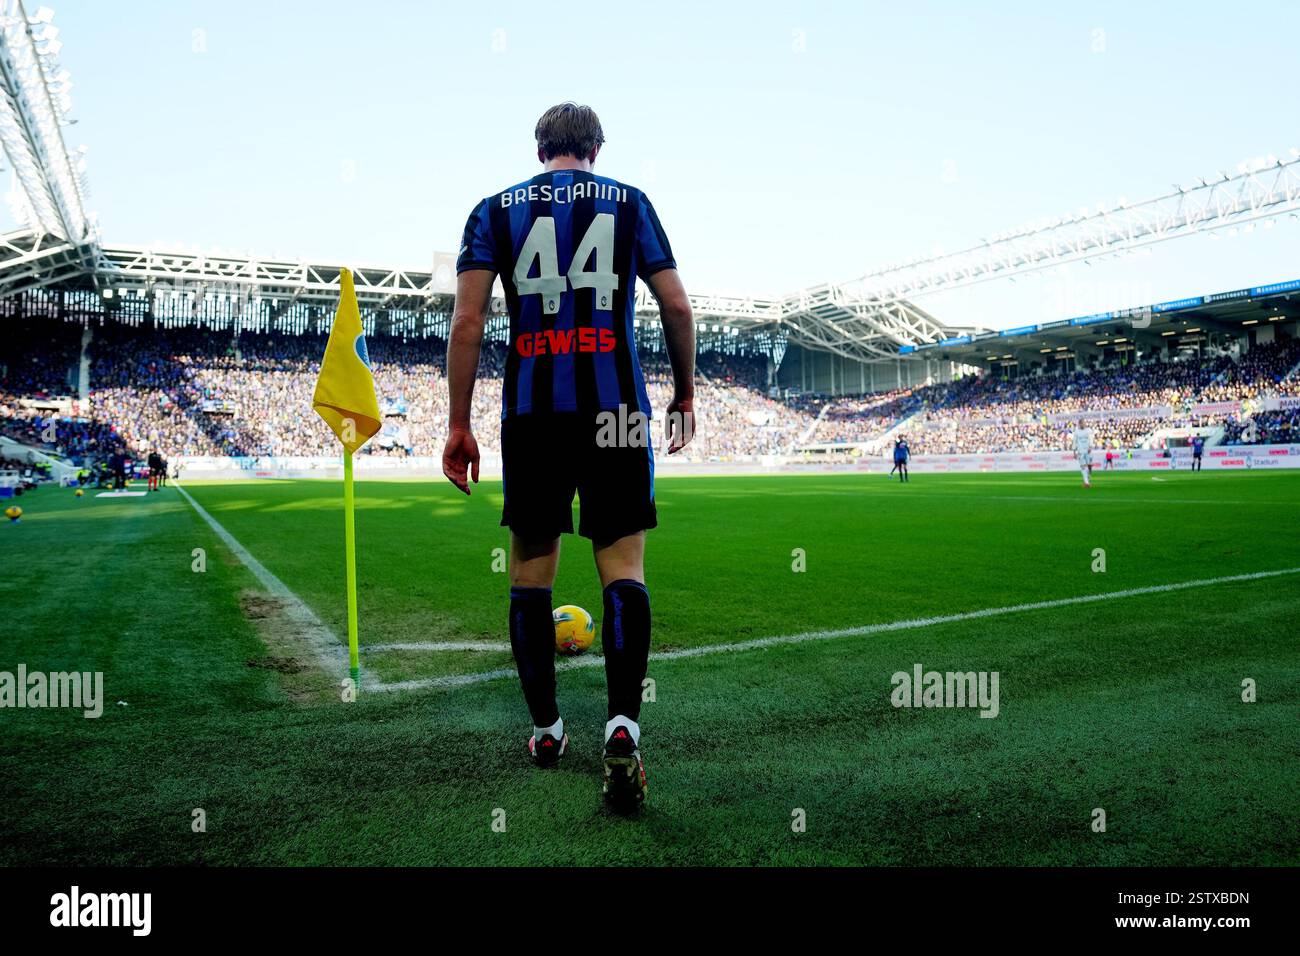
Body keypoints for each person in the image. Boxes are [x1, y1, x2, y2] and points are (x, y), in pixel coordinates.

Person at [441, 103, 696, 812]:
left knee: (531, 573)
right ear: (595, 147)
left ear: (539, 148)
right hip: (614, 409)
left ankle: (548, 732)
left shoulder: (492, 211)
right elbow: (676, 306)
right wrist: (684, 395)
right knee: (623, 567)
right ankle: (621, 727)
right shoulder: (630, 202)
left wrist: (458, 424)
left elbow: (467, 321)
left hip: (533, 414)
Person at [1072, 423, 1094, 488]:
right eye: (1080, 423)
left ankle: (1088, 475)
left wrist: (1090, 447)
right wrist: (1074, 452)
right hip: (1080, 451)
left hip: (1088, 450)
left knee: (1089, 465)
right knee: (1083, 466)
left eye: (1083, 423)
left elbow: (1091, 439)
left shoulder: (1088, 430)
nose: (1082, 425)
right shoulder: (1076, 432)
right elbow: (1074, 441)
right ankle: (1086, 482)